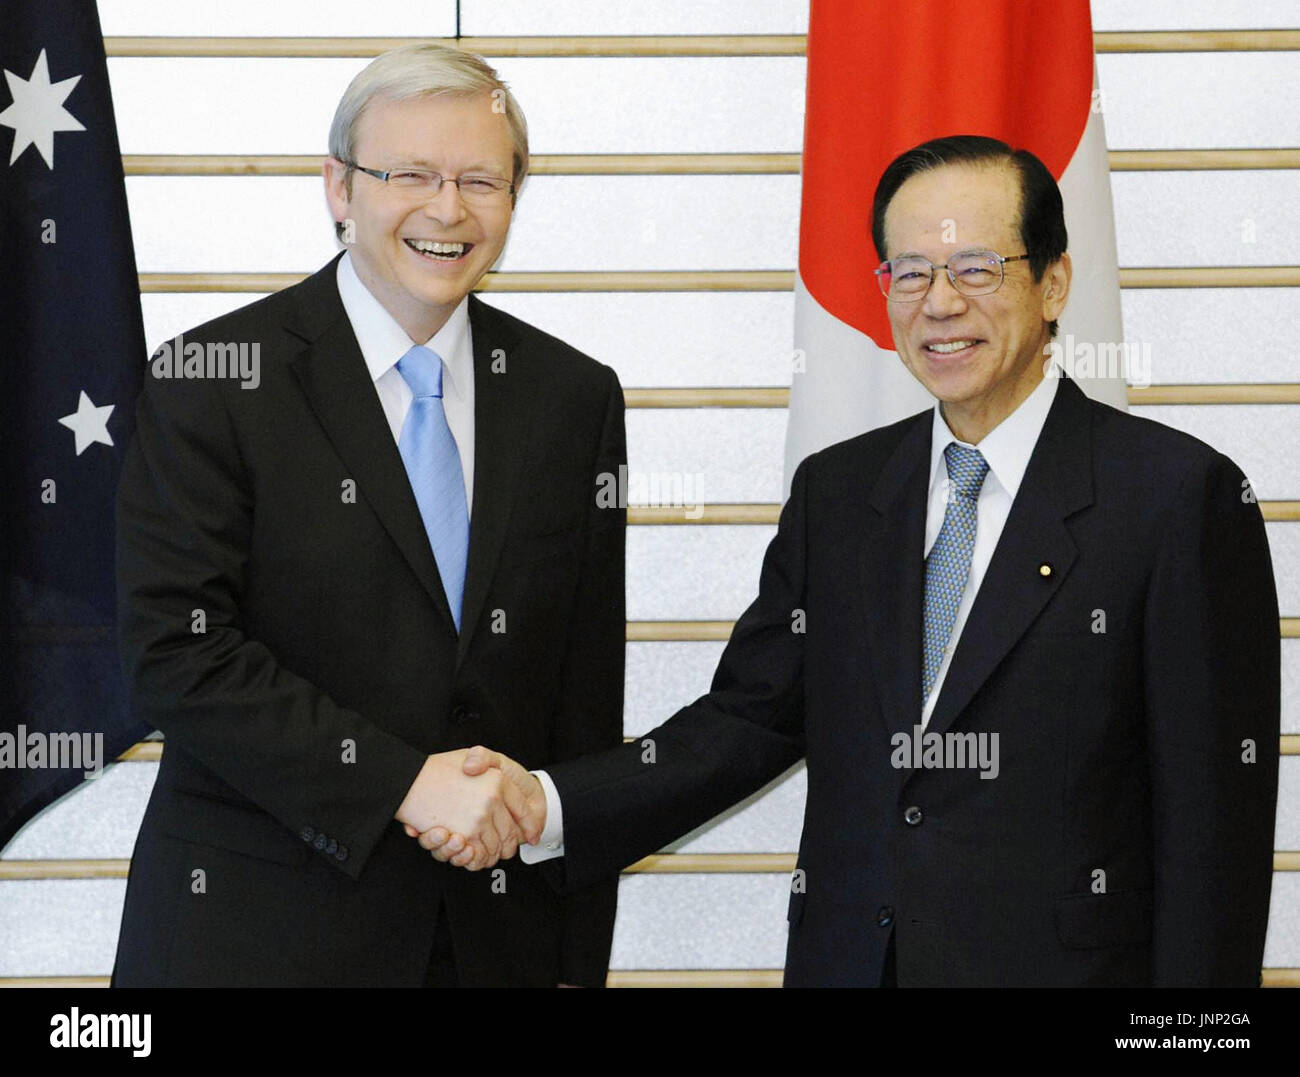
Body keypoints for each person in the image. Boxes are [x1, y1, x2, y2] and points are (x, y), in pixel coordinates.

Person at [425, 136, 1281, 988]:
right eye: (909, 272)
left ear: (1053, 281)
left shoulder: (1177, 499)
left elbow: (1213, 836)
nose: (939, 303)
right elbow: (746, 722)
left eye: (976, 267)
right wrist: (546, 804)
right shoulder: (840, 494)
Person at [112, 44, 625, 988]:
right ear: (338, 187)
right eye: (411, 175)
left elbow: (581, 705)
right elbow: (175, 655)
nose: (448, 208)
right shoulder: (216, 381)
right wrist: (398, 781)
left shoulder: (572, 399)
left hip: (491, 948)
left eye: (482, 178)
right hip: (255, 939)